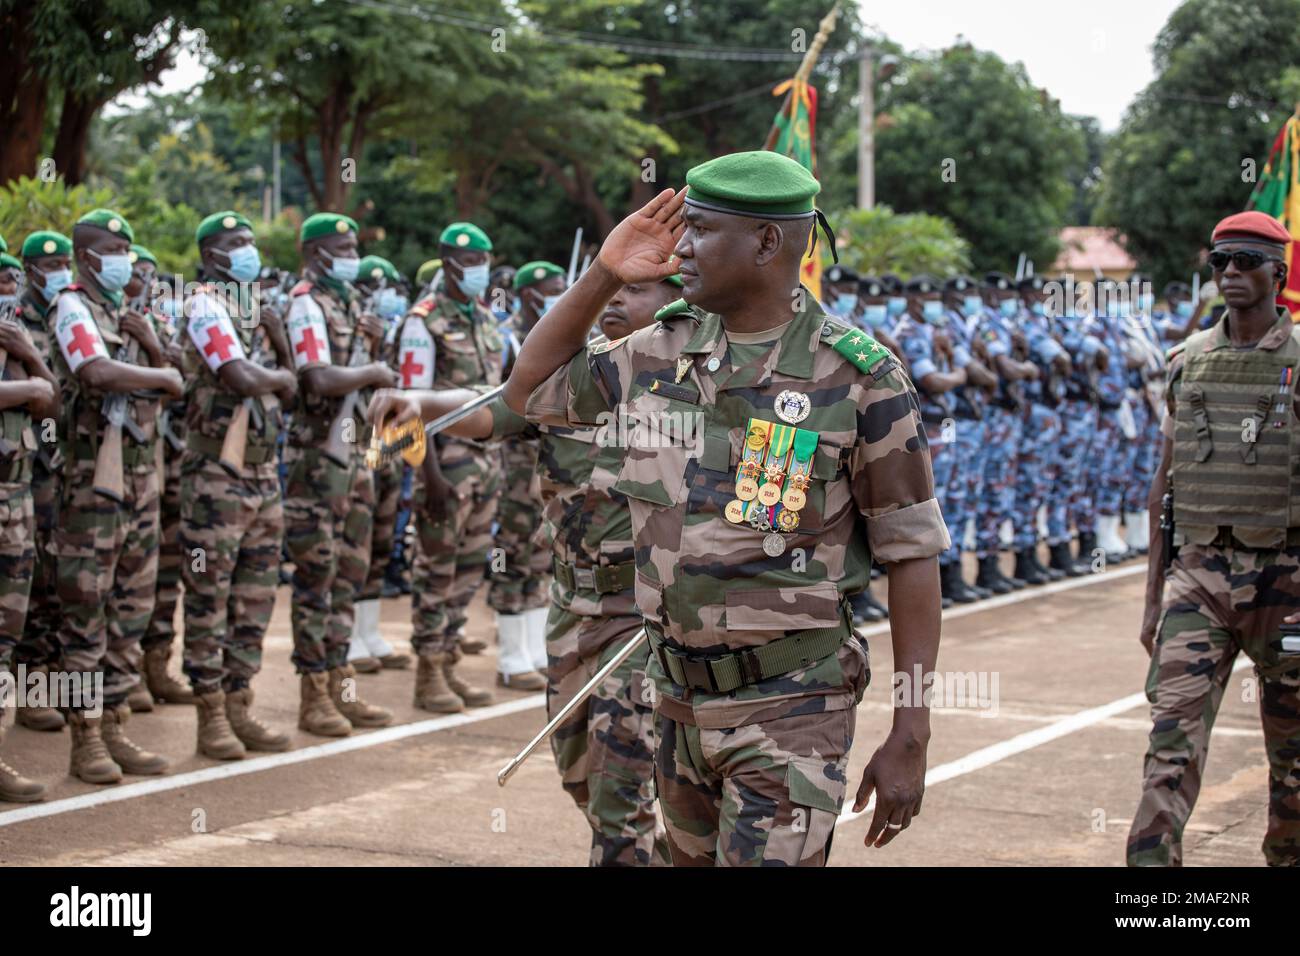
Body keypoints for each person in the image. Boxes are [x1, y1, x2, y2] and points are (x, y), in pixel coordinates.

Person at [504, 152, 947, 866]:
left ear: (767, 244)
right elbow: (531, 392)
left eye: (701, 231)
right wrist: (603, 275)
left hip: (792, 708)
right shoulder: (659, 351)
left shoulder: (859, 378)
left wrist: (912, 730)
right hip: (676, 704)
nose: (679, 248)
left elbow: (912, 553)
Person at [369, 273, 685, 865]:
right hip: (571, 611)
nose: (615, 298)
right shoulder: (572, 381)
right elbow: (489, 409)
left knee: (619, 789)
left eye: (636, 290)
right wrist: (416, 405)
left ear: (674, 303)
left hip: (644, 619)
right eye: (612, 285)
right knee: (579, 773)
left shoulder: (695, 386)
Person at [1129, 211, 1300, 867]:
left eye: (1246, 262)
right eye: (1220, 262)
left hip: (1286, 583)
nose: (1230, 273)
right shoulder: (1188, 362)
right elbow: (1161, 488)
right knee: (1169, 745)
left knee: (1292, 760)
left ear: (1277, 274)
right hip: (1197, 583)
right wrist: (1152, 599)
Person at [49, 209, 184, 783]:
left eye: (128, 247)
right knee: (86, 613)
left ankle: (115, 724)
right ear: (86, 257)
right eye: (112, 248)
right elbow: (97, 373)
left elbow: (182, 376)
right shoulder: (70, 305)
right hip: (90, 485)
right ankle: (84, 739)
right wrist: (158, 376)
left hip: (141, 479)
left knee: (132, 608)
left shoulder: (133, 313)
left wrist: (151, 345)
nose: (124, 257)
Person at [179, 210, 299, 758]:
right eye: (236, 243)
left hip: (261, 473)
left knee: (254, 596)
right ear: (211, 256)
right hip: (217, 478)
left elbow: (292, 391)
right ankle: (210, 718)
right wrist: (276, 373)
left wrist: (278, 344)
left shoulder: (257, 313)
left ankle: (238, 705)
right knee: (211, 598)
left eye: (251, 241)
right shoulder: (204, 303)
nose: (249, 250)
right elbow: (241, 377)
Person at [283, 212, 396, 736]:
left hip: (355, 456)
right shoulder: (306, 302)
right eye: (342, 248)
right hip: (316, 461)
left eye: (354, 247)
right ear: (314, 253)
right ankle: (313, 695)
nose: (351, 256)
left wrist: (374, 353)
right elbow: (317, 379)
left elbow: (365, 386)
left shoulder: (351, 303)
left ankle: (341, 683)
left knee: (350, 572)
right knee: (317, 575)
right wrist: (371, 369)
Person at [401, 222, 502, 710]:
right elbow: (406, 410)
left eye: (486, 262)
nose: (481, 272)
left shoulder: (484, 319)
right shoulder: (423, 322)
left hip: (485, 467)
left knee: (467, 571)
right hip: (443, 470)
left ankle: (448, 663)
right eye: (472, 263)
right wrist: (429, 478)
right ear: (449, 264)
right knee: (435, 571)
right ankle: (426, 673)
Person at [488, 260, 567, 690]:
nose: (561, 294)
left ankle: (534, 649)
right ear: (529, 295)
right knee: (512, 553)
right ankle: (509, 655)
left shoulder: (562, 337)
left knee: (541, 551)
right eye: (553, 288)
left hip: (548, 460)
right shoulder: (508, 339)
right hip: (516, 463)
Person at [0, 238, 59, 801]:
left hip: (15, 498)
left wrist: (31, 361)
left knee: (5, 634)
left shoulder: (16, 338)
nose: (5, 286)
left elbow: (54, 404)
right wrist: (31, 386)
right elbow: (38, 396)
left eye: (7, 276)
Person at [127, 245, 194, 711]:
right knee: (122, 575)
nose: (144, 283)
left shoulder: (165, 327)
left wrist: (153, 344)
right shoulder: (94, 325)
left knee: (164, 571)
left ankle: (156, 664)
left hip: (171, 469)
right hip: (123, 470)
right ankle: (124, 673)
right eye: (136, 274)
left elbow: (186, 380)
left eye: (150, 276)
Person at [11, 231, 73, 732]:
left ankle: (43, 684)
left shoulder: (67, 313)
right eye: (54, 265)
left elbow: (53, 398)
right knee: (25, 591)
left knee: (49, 581)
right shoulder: (19, 321)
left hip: (53, 463)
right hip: (24, 469)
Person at [346, 254, 412, 675]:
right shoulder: (351, 328)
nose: (385, 297)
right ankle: (349, 637)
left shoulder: (394, 332)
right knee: (354, 544)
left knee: (380, 543)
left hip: (385, 450)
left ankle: (368, 632)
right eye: (375, 288)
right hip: (352, 451)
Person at [893, 276, 968, 608]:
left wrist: (955, 372)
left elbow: (958, 368)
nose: (934, 304)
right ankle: (935, 585)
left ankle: (954, 575)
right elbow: (932, 381)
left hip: (947, 425)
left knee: (955, 498)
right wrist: (959, 376)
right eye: (928, 298)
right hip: (927, 426)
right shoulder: (908, 334)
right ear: (913, 301)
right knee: (930, 505)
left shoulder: (939, 330)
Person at [973, 273, 1036, 595]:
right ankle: (984, 566)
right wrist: (1026, 368)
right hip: (995, 417)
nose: (1005, 298)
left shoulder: (1008, 324)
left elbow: (1015, 363)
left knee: (1006, 490)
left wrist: (1022, 360)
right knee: (993, 491)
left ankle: (995, 565)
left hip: (1008, 417)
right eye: (1000, 292)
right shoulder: (986, 323)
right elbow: (1007, 370)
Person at [1009, 275, 1071, 586]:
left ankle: (1035, 551)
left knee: (1044, 484)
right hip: (1034, 414)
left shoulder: (1048, 321)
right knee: (1029, 484)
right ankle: (1024, 555)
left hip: (1049, 412)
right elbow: (1061, 359)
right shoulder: (1024, 322)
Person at [941, 275, 997, 600]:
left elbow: (986, 366)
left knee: (965, 497)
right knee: (948, 498)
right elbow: (972, 372)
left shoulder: (971, 326)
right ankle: (946, 576)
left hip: (970, 420)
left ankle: (958, 573)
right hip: (952, 422)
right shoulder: (946, 327)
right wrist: (981, 376)